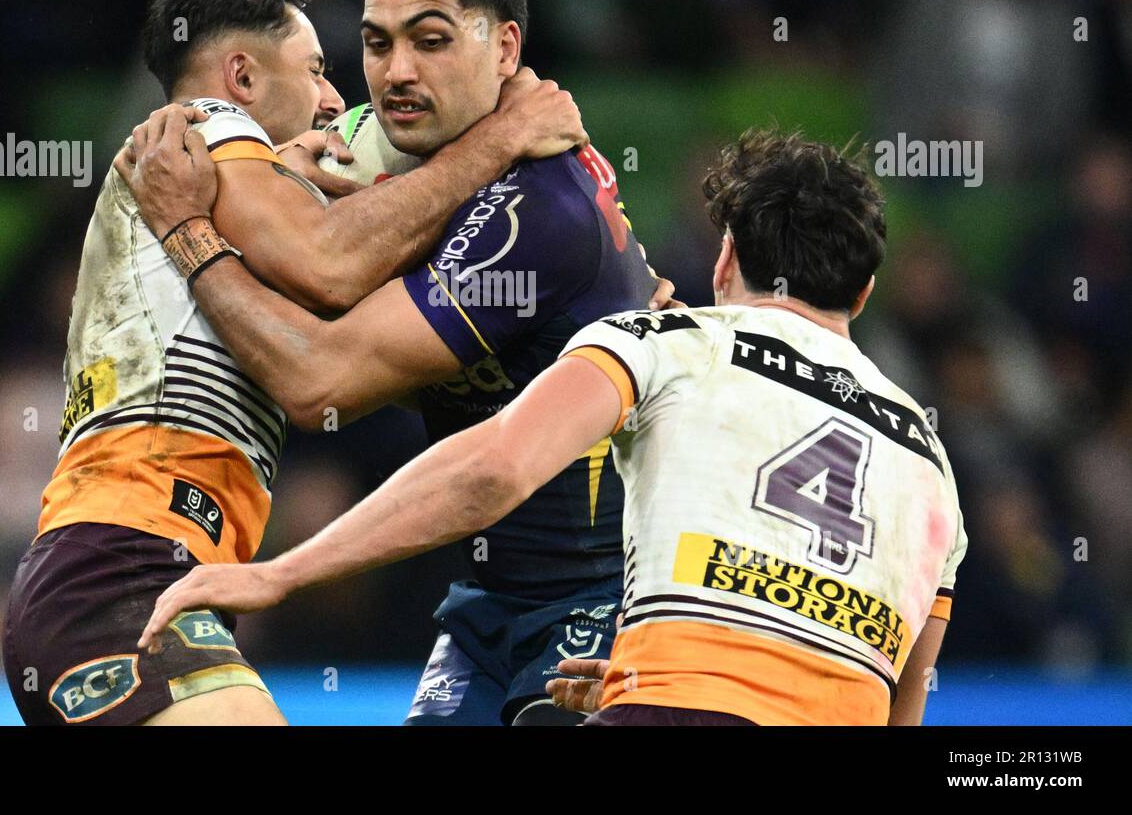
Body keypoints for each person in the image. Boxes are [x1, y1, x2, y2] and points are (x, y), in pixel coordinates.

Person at [139, 129, 968, 727]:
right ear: (862, 295)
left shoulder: (671, 341)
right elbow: (904, 696)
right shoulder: (931, 461)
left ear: (723, 263)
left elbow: (496, 467)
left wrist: (281, 573)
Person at [2, 0, 587, 726]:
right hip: (121, 572)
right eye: (314, 69)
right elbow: (330, 268)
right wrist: (500, 140)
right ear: (242, 78)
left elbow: (355, 338)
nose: (330, 98)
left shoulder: (226, 184)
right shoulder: (196, 128)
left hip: (133, 574)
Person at [120, 0, 672, 725]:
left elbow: (321, 382)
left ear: (506, 47)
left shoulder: (540, 210)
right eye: (378, 43)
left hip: (602, 599)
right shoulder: (384, 139)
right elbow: (293, 187)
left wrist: (188, 232)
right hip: (485, 608)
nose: (397, 72)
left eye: (432, 39)